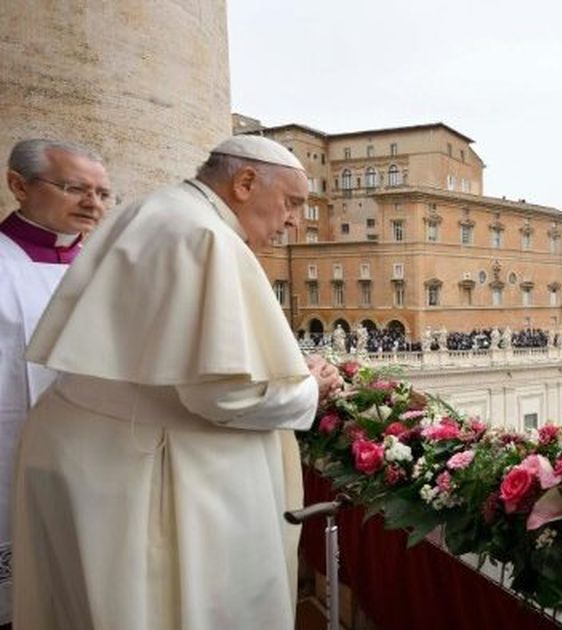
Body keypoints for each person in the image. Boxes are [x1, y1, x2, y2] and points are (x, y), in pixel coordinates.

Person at [11, 136, 342, 630]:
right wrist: (310, 387)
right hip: (138, 469)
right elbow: (224, 394)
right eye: (291, 202)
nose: (295, 221)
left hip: (93, 454)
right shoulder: (205, 235)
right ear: (245, 182)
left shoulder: (155, 210)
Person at [0, 139, 111, 627]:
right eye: (74, 188)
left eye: (103, 193)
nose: (93, 204)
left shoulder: (108, 269)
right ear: (18, 185)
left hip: (91, 456)